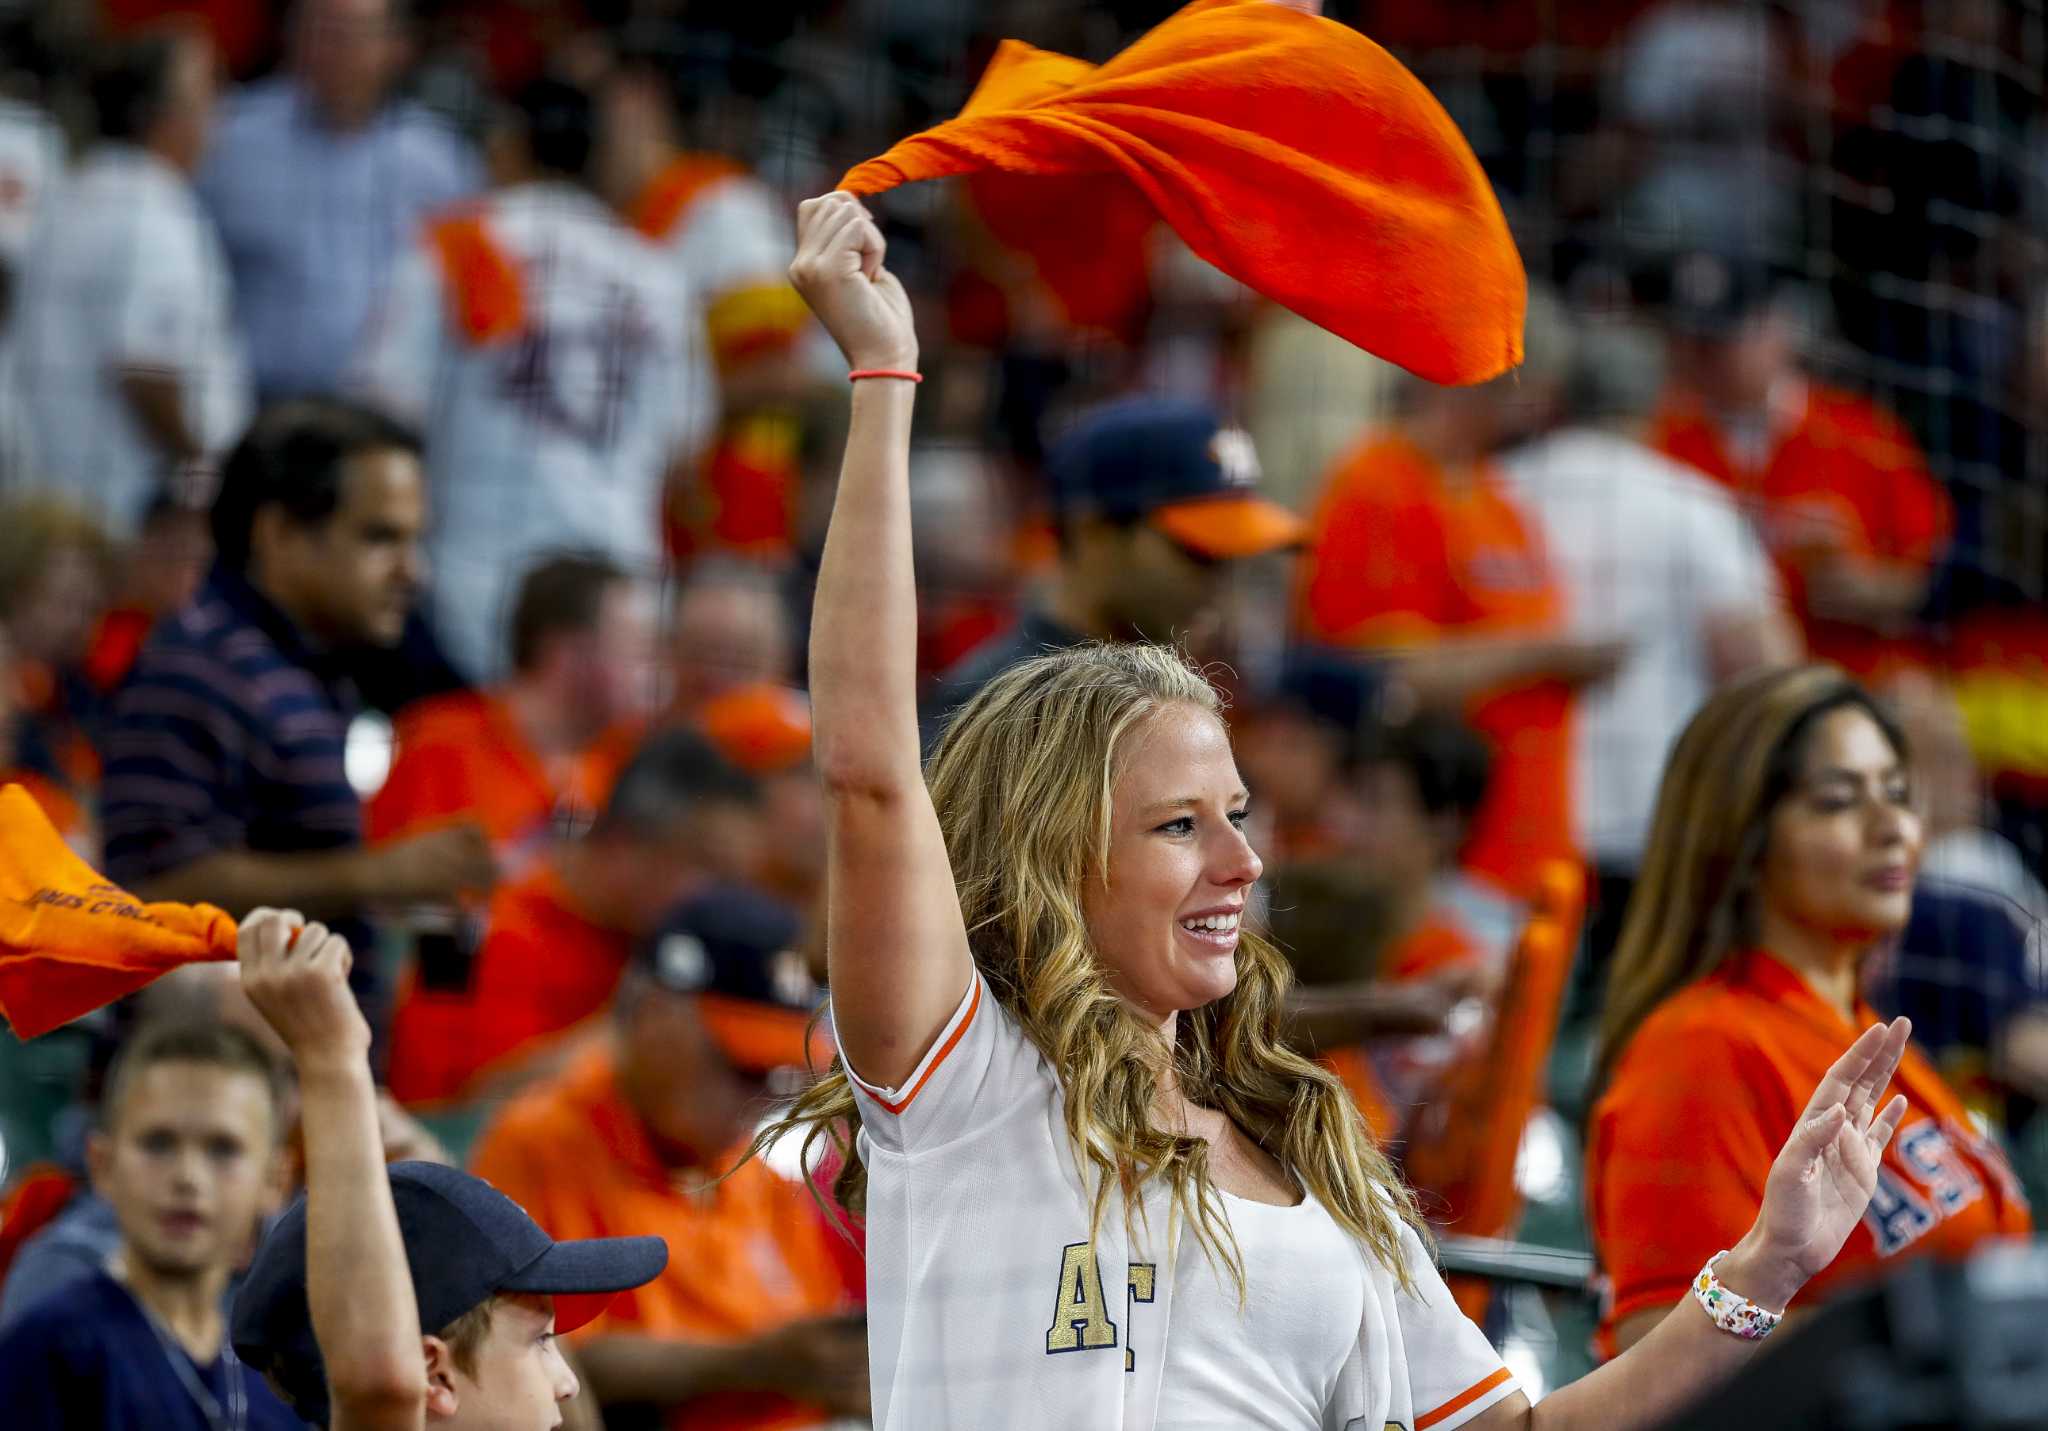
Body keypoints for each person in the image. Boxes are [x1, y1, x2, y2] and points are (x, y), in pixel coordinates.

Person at [757, 188, 1919, 1431]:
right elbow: (871, 771)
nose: (1241, 861)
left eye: (1238, 814)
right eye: (1178, 826)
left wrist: (1762, 1269)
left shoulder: (1312, 1148)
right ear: (1054, 855)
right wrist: (883, 375)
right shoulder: (967, 1086)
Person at [1587, 665, 2032, 1358]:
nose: (1892, 827)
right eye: (1838, 801)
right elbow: (1655, 1354)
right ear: (1743, 837)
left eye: (1897, 792)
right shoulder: (1701, 1046)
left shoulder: (1856, 1024)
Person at [98, 400, 495, 1011]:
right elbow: (149, 895)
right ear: (278, 533)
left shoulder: (301, 665)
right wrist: (377, 876)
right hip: (210, 1067)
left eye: (416, 540)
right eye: (380, 537)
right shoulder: (199, 668)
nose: (413, 572)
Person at [229, 907, 668, 1430]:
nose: (567, 1382)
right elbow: (378, 1382)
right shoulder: (385, 1384)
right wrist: (331, 1057)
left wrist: (437, 1177)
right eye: (540, 1342)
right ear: (433, 1374)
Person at [348, 75, 715, 682]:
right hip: (615, 586)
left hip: (473, 577)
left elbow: (385, 408)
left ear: (511, 144)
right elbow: (684, 444)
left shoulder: (460, 243)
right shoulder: (655, 274)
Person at [471, 885, 867, 1428]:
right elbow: (540, 1359)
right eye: (744, 1067)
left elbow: (815, 1335)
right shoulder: (541, 1143)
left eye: (784, 1073)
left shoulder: (752, 1169)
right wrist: (751, 1365)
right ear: (654, 1015)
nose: (767, 1096)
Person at [1501, 309, 1798, 974]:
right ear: (1658, 402)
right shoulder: (1691, 502)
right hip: (1649, 829)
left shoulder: (1498, 486)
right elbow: (1769, 673)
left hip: (1516, 827)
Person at [1298, 356, 1625, 902]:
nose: (1530, 410)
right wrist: (1546, 655)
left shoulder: (1492, 492)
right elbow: (1380, 676)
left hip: (1534, 854)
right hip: (1446, 858)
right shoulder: (1378, 485)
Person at [385, 726, 761, 1106]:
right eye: (710, 867)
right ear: (624, 846)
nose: (726, 901)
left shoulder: (646, 937)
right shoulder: (472, 934)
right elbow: (456, 1115)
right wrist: (638, 1030)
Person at [923, 393, 1306, 739]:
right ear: (1094, 532)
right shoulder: (998, 711)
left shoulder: (1184, 694)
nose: (1217, 583)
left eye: (1230, 556)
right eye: (1197, 553)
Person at [1645, 249, 1952, 678]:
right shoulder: (1659, 441)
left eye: (1725, 338)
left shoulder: (1860, 431)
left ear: (1779, 330)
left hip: (1850, 675)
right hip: (1711, 687)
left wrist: (1862, 587)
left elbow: (1930, 577)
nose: (1707, 355)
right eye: (1695, 339)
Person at [3, 26, 251, 537]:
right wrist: (205, 470)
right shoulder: (155, 214)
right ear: (163, 115)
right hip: (129, 509)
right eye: (207, 101)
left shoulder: (72, 194)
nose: (218, 122)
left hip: (55, 493)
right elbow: (147, 371)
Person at [0, 1020, 302, 1427]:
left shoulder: (277, 1384)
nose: (188, 1177)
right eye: (158, 1143)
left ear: (275, 1180)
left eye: (223, 1148)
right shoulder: (53, 1350)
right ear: (102, 1165)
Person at [597, 45, 819, 562]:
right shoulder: (616, 223)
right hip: (652, 519)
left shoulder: (723, 205)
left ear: (641, 97)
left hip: (732, 516)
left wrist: (655, 414)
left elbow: (781, 375)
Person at [199, 0, 481, 402]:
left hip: (388, 412)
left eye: (352, 34)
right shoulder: (230, 140)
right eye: (321, 30)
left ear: (397, 47)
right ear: (293, 39)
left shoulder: (438, 163)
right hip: (257, 403)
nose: (334, 49)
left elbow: (470, 299)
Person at [369, 551, 657, 874]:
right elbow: (389, 884)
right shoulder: (441, 742)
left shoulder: (625, 761)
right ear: (566, 653)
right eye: (636, 648)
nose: (651, 669)